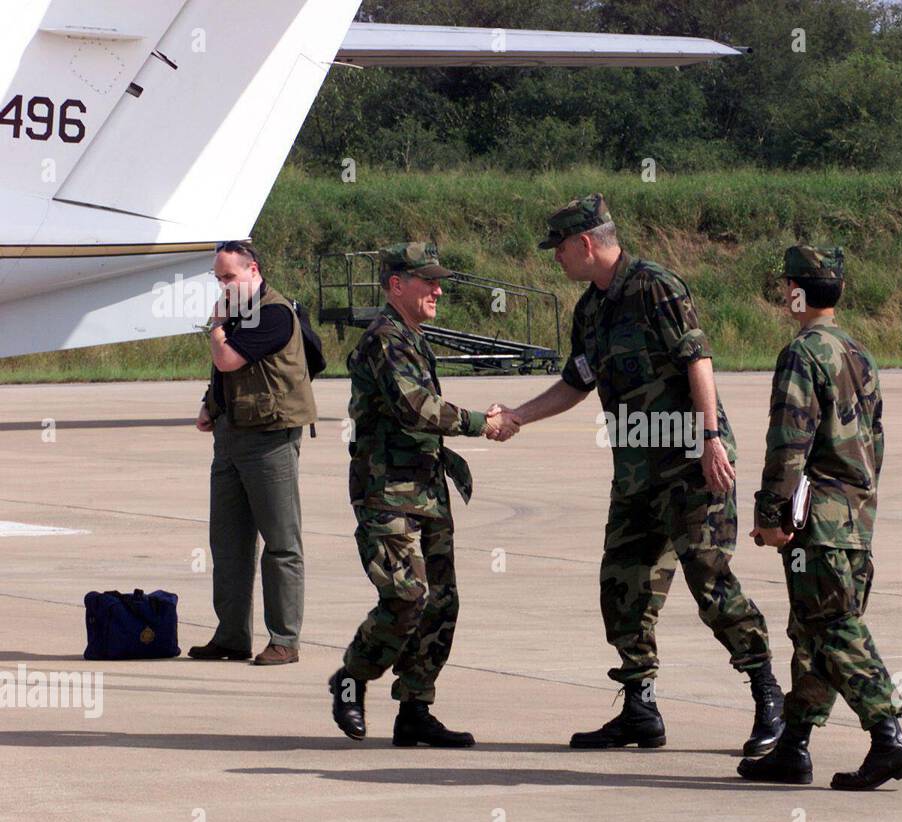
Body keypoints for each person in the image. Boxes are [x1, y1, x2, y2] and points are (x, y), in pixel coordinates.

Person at [491, 194, 783, 755]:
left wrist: (709, 439)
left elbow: (697, 360)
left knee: (710, 584)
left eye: (559, 250)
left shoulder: (655, 287)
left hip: (692, 468)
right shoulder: (590, 310)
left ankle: (769, 696)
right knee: (622, 586)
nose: (556, 260)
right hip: (636, 475)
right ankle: (640, 708)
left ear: (585, 244)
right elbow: (577, 382)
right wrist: (519, 417)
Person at [737, 245, 902, 791]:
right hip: (855, 517)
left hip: (818, 520)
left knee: (835, 629)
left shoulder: (804, 353)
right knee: (811, 632)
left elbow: (789, 441)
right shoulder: (858, 354)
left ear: (796, 291)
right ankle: (793, 748)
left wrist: (772, 514)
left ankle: (888, 738)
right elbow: (876, 443)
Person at [328, 242, 520, 748]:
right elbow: (416, 408)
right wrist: (484, 423)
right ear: (396, 285)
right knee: (405, 598)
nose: (437, 289)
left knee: (442, 605)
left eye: (438, 281)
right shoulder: (385, 340)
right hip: (387, 492)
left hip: (427, 490)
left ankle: (415, 708)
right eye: (427, 280)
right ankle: (351, 676)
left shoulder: (413, 338)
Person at [190, 240, 315, 665]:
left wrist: (216, 327)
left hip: (269, 437)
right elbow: (223, 374)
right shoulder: (236, 312)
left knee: (280, 543)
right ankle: (230, 636)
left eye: (230, 277)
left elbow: (227, 359)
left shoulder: (274, 314)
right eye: (218, 278)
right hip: (231, 436)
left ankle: (284, 639)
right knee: (228, 543)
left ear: (253, 270)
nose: (223, 285)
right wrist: (211, 403)